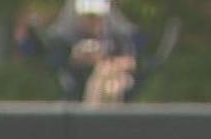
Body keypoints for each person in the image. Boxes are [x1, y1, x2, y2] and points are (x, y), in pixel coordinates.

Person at [14, 0, 144, 103]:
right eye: (88, 17)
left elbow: (131, 61)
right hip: (75, 95)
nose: (93, 21)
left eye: (97, 17)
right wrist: (76, 59)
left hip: (115, 93)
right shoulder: (64, 41)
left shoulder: (116, 38)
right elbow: (55, 63)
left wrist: (105, 61)